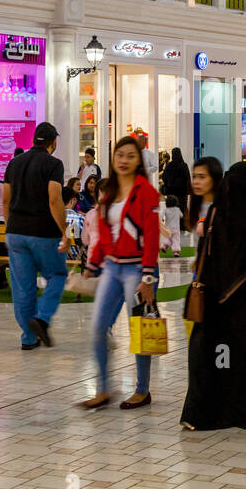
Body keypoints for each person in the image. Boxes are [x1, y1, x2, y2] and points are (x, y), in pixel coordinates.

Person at [180, 162, 246, 431]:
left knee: (216, 356)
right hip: (237, 301)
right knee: (243, 356)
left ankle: (205, 413)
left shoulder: (220, 211)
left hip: (217, 300)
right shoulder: (238, 215)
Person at [78, 135, 162, 410]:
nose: (124, 161)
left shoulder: (146, 192)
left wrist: (148, 277)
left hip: (138, 268)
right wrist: (93, 264)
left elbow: (151, 236)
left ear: (139, 160)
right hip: (112, 267)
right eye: (119, 155)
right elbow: (103, 231)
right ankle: (103, 389)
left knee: (139, 328)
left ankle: (142, 390)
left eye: (130, 155)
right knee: (98, 326)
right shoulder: (108, 191)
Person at [3, 122, 69, 350]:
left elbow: (5, 200)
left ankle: (29, 338)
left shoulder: (14, 163)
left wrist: (9, 228)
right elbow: (54, 199)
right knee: (58, 275)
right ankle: (42, 318)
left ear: (34, 140)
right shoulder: (53, 164)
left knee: (23, 287)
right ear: (53, 142)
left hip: (15, 232)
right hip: (43, 233)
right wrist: (64, 231)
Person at [187, 156, 223, 236]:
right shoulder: (196, 206)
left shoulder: (224, 208)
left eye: (202, 177)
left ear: (214, 178)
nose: (196, 182)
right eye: (194, 177)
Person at [160, 147, 191, 225]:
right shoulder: (184, 165)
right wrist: (188, 191)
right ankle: (182, 226)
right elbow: (188, 178)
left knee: (172, 209)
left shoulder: (169, 166)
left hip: (171, 193)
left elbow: (164, 177)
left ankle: (171, 224)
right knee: (182, 209)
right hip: (182, 193)